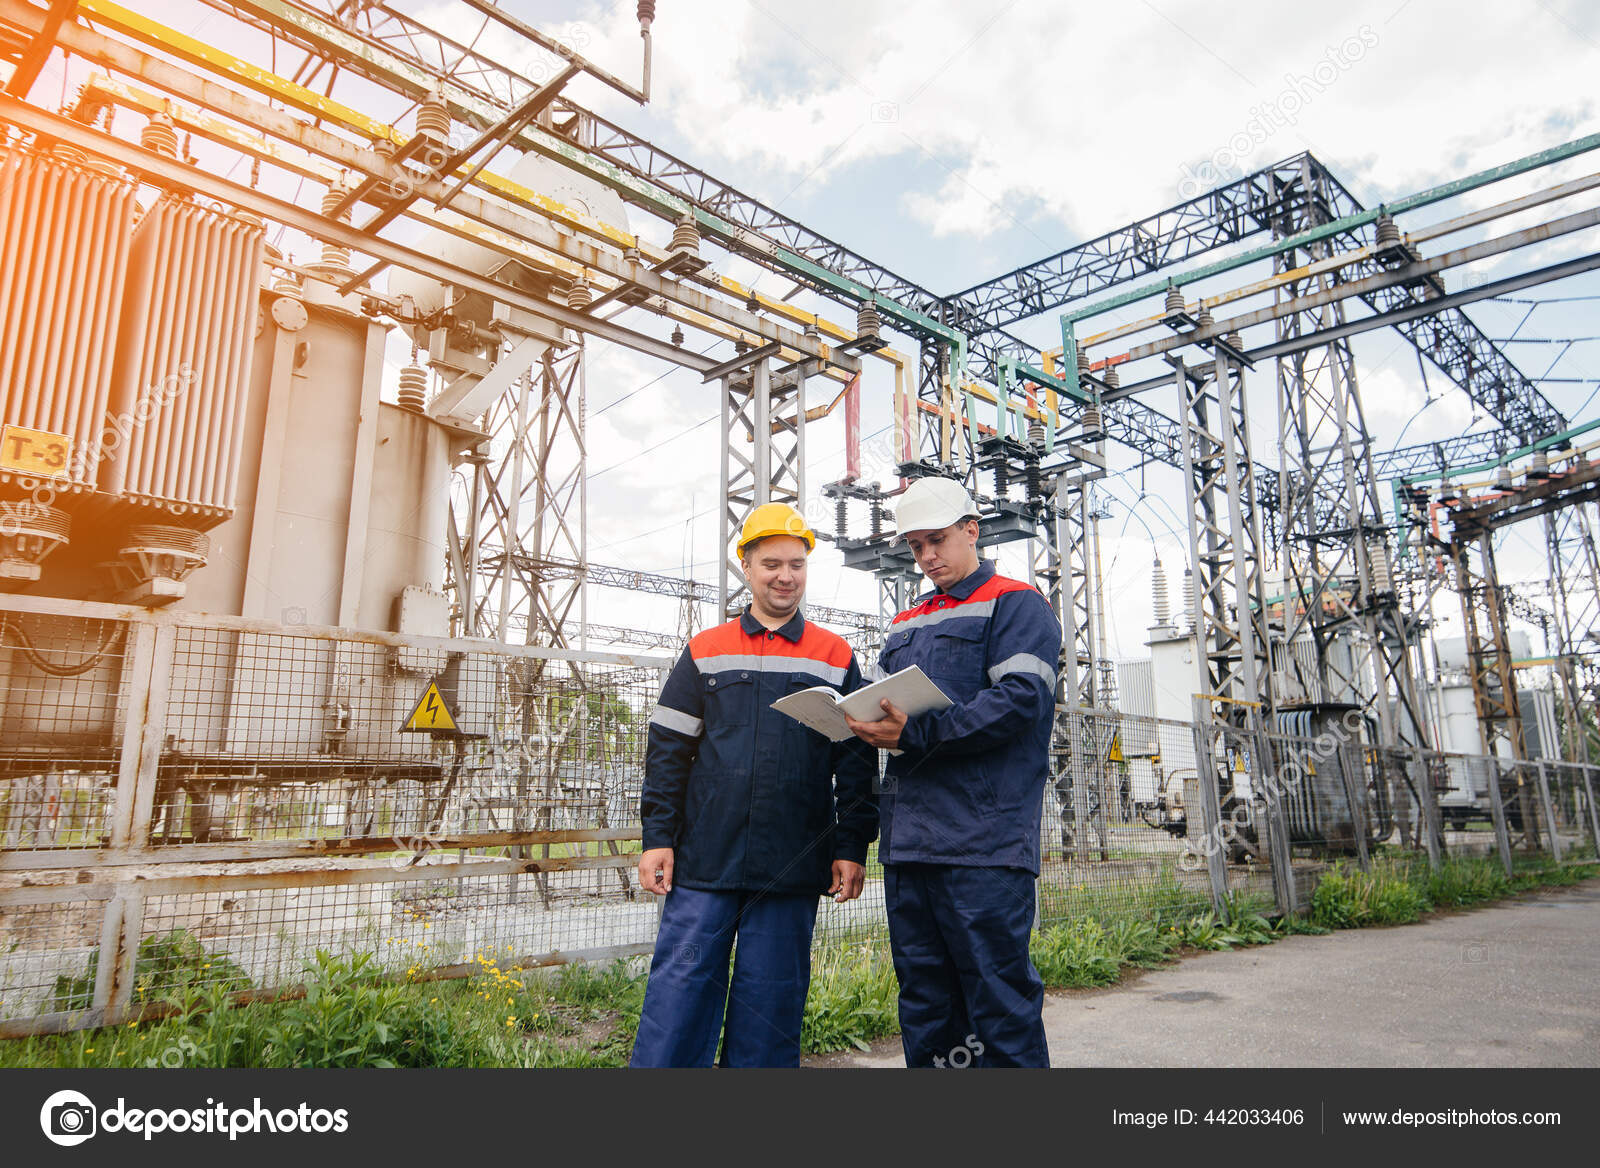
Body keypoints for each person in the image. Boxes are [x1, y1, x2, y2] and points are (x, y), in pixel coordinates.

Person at [630, 502, 879, 1067]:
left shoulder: (835, 656)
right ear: (746, 565)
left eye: (796, 563)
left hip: (791, 861)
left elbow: (857, 761)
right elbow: (668, 750)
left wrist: (850, 845)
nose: (785, 576)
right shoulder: (705, 649)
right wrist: (657, 837)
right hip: (703, 861)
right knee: (679, 999)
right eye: (771, 563)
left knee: (771, 1004)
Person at [845, 476, 1062, 1068]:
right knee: (925, 1002)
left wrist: (914, 732)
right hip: (911, 843)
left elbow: (1021, 702)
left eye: (937, 540)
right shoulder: (906, 622)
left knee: (997, 1001)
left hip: (983, 844)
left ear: (973, 529)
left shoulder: (1017, 604)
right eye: (915, 546)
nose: (927, 556)